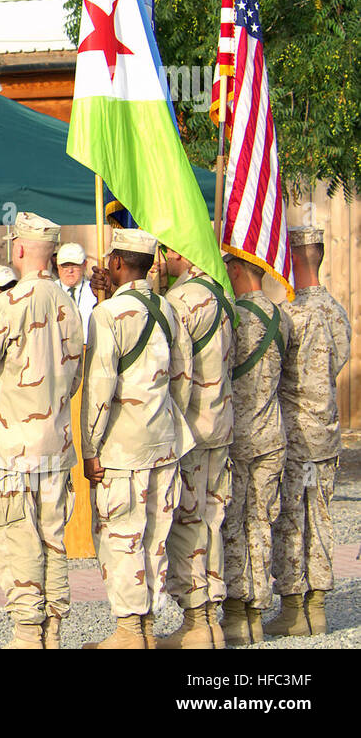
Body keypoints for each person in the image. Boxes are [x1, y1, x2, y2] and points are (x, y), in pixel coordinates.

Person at [0, 212, 83, 648]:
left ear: (21, 248)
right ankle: (54, 632)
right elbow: (76, 376)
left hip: (13, 447)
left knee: (16, 538)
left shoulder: (8, 304)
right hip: (56, 444)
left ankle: (28, 636)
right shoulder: (70, 305)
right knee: (54, 540)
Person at [81, 228, 191, 649]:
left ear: (115, 263)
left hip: (123, 448)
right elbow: (182, 379)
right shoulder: (167, 309)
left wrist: (91, 447)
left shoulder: (107, 316)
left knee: (121, 536)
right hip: (163, 441)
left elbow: (99, 388)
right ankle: (146, 626)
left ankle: (129, 630)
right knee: (154, 537)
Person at [147, 245, 236, 649]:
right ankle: (212, 619)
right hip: (220, 424)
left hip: (190, 432)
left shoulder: (183, 301)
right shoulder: (220, 292)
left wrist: (167, 430)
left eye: (164, 250)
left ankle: (196, 622)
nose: (160, 260)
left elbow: (177, 372)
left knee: (187, 523)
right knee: (212, 520)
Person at [266, 225, 350, 637]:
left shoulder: (290, 314)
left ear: (294, 258)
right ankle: (317, 607)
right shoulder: (336, 310)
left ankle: (295, 609)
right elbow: (338, 363)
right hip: (327, 434)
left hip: (296, 436)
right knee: (321, 517)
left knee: (292, 521)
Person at [220, 252, 292, 645]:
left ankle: (235, 613)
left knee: (235, 522)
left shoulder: (233, 317)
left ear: (235, 269)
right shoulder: (284, 317)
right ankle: (257, 613)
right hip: (273, 432)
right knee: (262, 521)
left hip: (240, 436)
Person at [57, 242, 96, 336]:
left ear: (85, 265)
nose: (70, 271)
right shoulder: (50, 291)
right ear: (58, 266)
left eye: (75, 265)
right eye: (65, 266)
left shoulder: (94, 291)